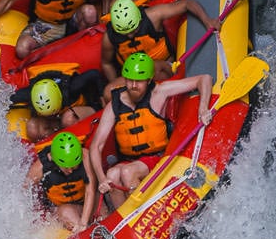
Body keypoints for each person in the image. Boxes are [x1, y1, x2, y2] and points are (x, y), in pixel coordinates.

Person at [89, 51, 213, 209]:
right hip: (131, 160)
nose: (133, 85)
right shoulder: (114, 104)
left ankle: (143, 214)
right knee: (112, 175)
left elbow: (204, 79)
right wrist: (101, 179)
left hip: (157, 157)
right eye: (130, 80)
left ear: (148, 80)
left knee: (128, 173)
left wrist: (203, 108)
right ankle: (123, 218)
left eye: (139, 81)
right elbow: (96, 146)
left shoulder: (159, 92)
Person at [101, 0, 220, 89]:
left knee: (151, 67)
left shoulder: (153, 15)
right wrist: (116, 84)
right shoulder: (109, 38)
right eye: (125, 33)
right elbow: (106, 63)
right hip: (134, 78)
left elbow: (187, 4)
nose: (130, 35)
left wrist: (207, 20)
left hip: (164, 67)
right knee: (109, 90)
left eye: (133, 30)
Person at [25, 131, 97, 232]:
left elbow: (91, 191)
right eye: (67, 168)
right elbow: (24, 191)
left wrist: (84, 222)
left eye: (74, 166)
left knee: (102, 211)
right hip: (61, 208)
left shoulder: (85, 156)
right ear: (55, 160)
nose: (71, 171)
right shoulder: (40, 167)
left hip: (85, 201)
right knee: (67, 212)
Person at [10, 70, 104, 143]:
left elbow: (94, 74)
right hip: (57, 120)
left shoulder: (71, 87)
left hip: (86, 106)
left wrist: (102, 98)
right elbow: (10, 96)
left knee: (68, 119)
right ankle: (54, 138)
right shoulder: (30, 94)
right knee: (33, 128)